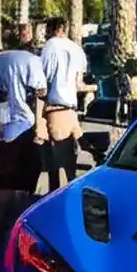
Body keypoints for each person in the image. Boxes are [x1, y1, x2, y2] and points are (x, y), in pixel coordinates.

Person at [0, 25, 46, 250]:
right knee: (27, 184)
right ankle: (17, 234)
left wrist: (2, 113)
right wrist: (39, 126)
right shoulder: (31, 60)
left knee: (6, 183)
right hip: (27, 125)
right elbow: (41, 92)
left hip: (6, 128)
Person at [38, 17, 87, 191]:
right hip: (71, 108)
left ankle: (56, 198)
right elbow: (80, 80)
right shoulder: (76, 48)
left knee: (54, 163)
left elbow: (43, 77)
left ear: (54, 30)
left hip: (55, 108)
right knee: (70, 162)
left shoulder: (51, 46)